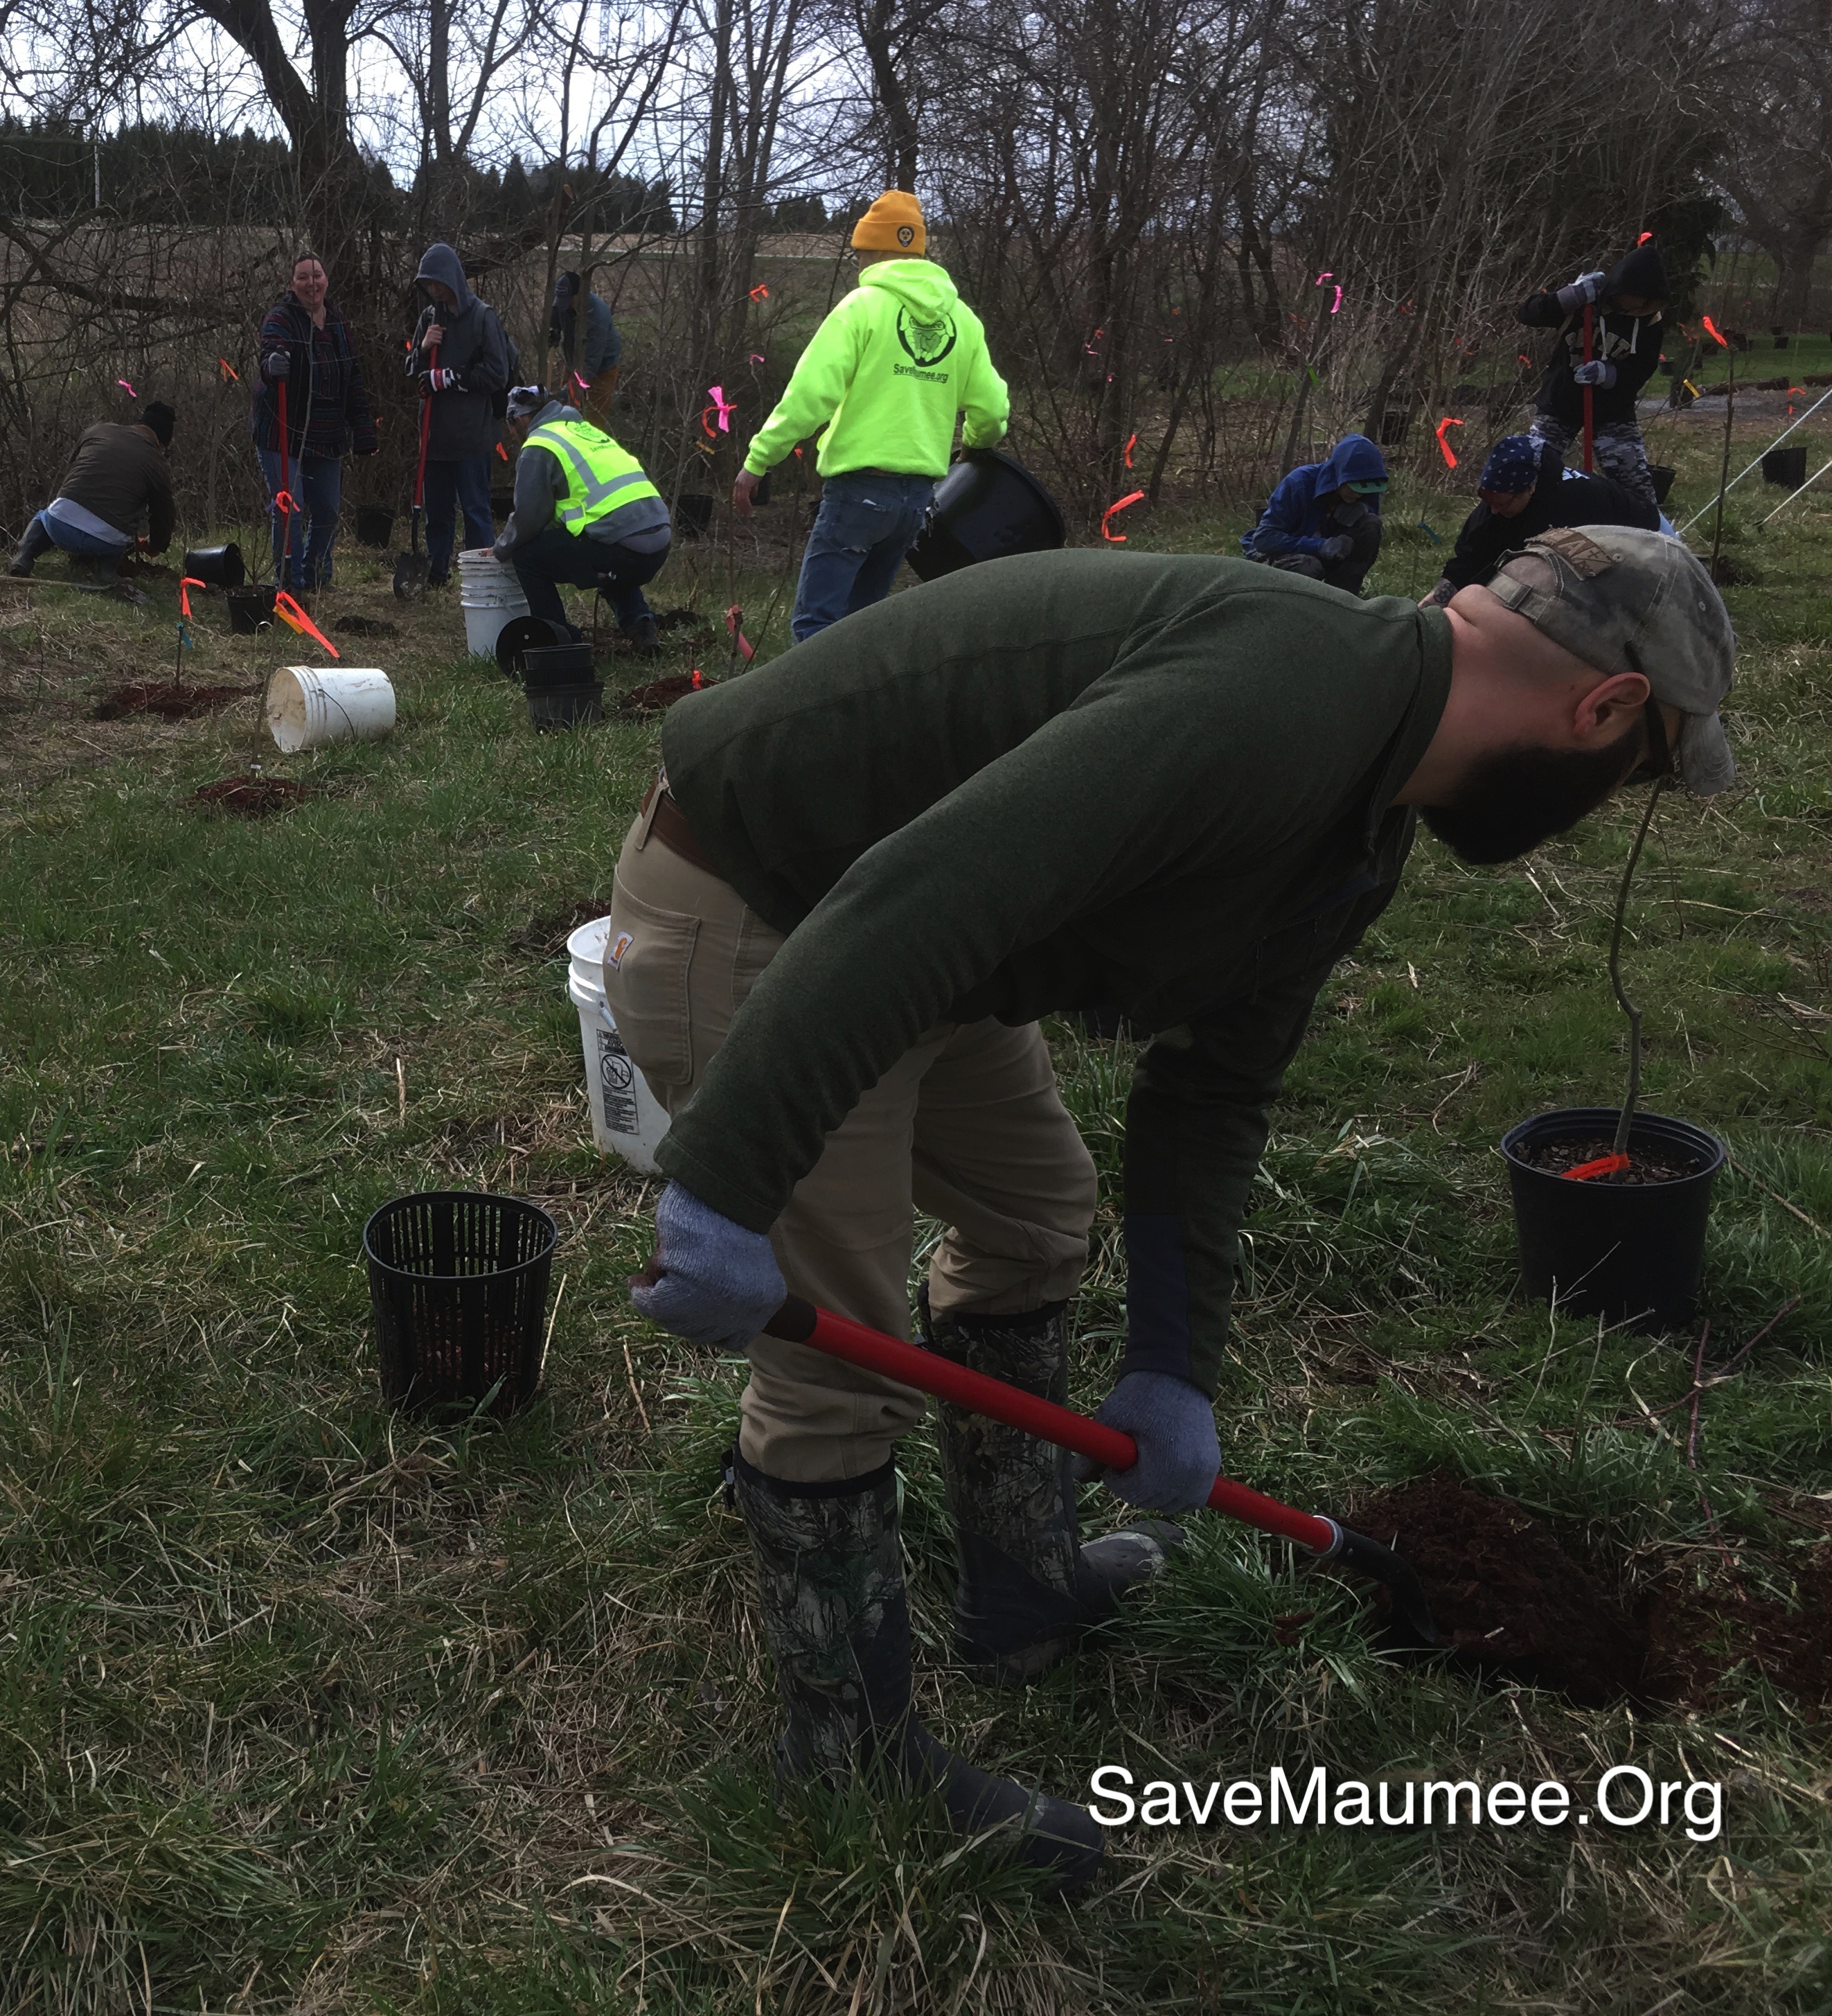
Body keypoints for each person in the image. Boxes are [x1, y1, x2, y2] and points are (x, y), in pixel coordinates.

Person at [610, 529, 1734, 1892]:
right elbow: (929, 889)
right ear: (1606, 713)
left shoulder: (1364, 806)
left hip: (910, 943)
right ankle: (844, 1757)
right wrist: (730, 1182)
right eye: (1639, 774)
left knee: (1035, 1207)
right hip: (767, 907)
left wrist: (1170, 1369)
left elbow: (1214, 1090)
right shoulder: (1285, 696)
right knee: (835, 1357)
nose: (1611, 796)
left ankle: (1021, 1585)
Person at [733, 191, 1008, 642]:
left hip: (858, 493)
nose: (859, 264)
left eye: (861, 253)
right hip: (917, 501)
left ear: (878, 250)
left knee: (816, 626)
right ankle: (862, 708)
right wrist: (975, 446)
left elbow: (809, 396)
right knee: (864, 629)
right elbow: (993, 411)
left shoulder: (860, 309)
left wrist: (758, 461)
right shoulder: (963, 321)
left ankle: (816, 710)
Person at [489, 384, 673, 651]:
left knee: (527, 558)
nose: (512, 434)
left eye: (511, 426)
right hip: (659, 543)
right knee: (607, 550)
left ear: (517, 420)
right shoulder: (584, 431)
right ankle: (640, 625)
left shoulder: (539, 444)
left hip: (621, 548)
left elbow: (528, 518)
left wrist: (500, 548)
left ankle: (558, 640)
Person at [256, 254, 377, 592]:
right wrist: (273, 364)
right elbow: (269, 353)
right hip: (283, 431)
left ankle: (317, 577)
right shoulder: (281, 319)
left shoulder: (338, 323)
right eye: (303, 278)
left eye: (317, 276)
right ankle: (289, 583)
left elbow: (352, 378)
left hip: (327, 434)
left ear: (327, 280)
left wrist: (363, 428)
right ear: (292, 285)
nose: (312, 283)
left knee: (327, 509)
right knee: (290, 509)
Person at [1431, 433, 1660, 601]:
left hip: (1646, 540)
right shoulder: (1493, 508)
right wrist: (1428, 609)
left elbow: (1594, 577)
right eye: (1487, 500)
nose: (1494, 511)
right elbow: (1466, 565)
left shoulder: (1576, 504)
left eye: (1502, 503)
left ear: (1529, 489)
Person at [402, 242, 514, 590]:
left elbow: (498, 372)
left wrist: (450, 378)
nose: (434, 290)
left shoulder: (482, 317)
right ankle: (436, 573)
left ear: (453, 279)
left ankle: (480, 575)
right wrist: (423, 351)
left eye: (438, 282)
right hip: (434, 437)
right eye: (429, 284)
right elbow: (412, 374)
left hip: (472, 436)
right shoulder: (429, 319)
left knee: (476, 509)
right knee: (437, 512)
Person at [1520, 240, 1666, 493]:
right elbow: (1528, 313)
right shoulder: (1584, 301)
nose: (1637, 305)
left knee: (1635, 485)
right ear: (1622, 286)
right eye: (1635, 297)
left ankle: (1643, 528)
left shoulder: (1649, 322)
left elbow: (1643, 368)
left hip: (1613, 409)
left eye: (1645, 301)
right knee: (1531, 473)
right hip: (1561, 400)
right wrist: (1568, 297)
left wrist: (1610, 375)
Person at [6, 405, 177, 583]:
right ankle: (106, 573)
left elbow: (72, 471)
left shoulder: (98, 431)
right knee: (116, 534)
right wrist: (155, 545)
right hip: (106, 543)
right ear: (162, 442)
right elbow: (164, 514)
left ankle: (23, 558)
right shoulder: (157, 462)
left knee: (44, 517)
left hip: (60, 526)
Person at [1240, 432, 1388, 594]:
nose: (1359, 495)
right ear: (1339, 475)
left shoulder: (1368, 490)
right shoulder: (1299, 483)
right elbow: (1263, 540)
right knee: (1309, 567)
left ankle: (1343, 597)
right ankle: (1292, 606)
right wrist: (1319, 546)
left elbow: (1367, 535)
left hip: (1331, 559)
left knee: (1371, 525)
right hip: (1283, 556)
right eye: (1354, 488)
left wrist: (1362, 514)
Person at [544, 270, 623, 422]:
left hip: (602, 369)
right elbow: (556, 312)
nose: (565, 306)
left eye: (569, 301)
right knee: (563, 412)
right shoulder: (562, 301)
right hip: (573, 359)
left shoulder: (598, 315)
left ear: (580, 294)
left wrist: (573, 387)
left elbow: (591, 361)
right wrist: (553, 330)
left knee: (594, 419)